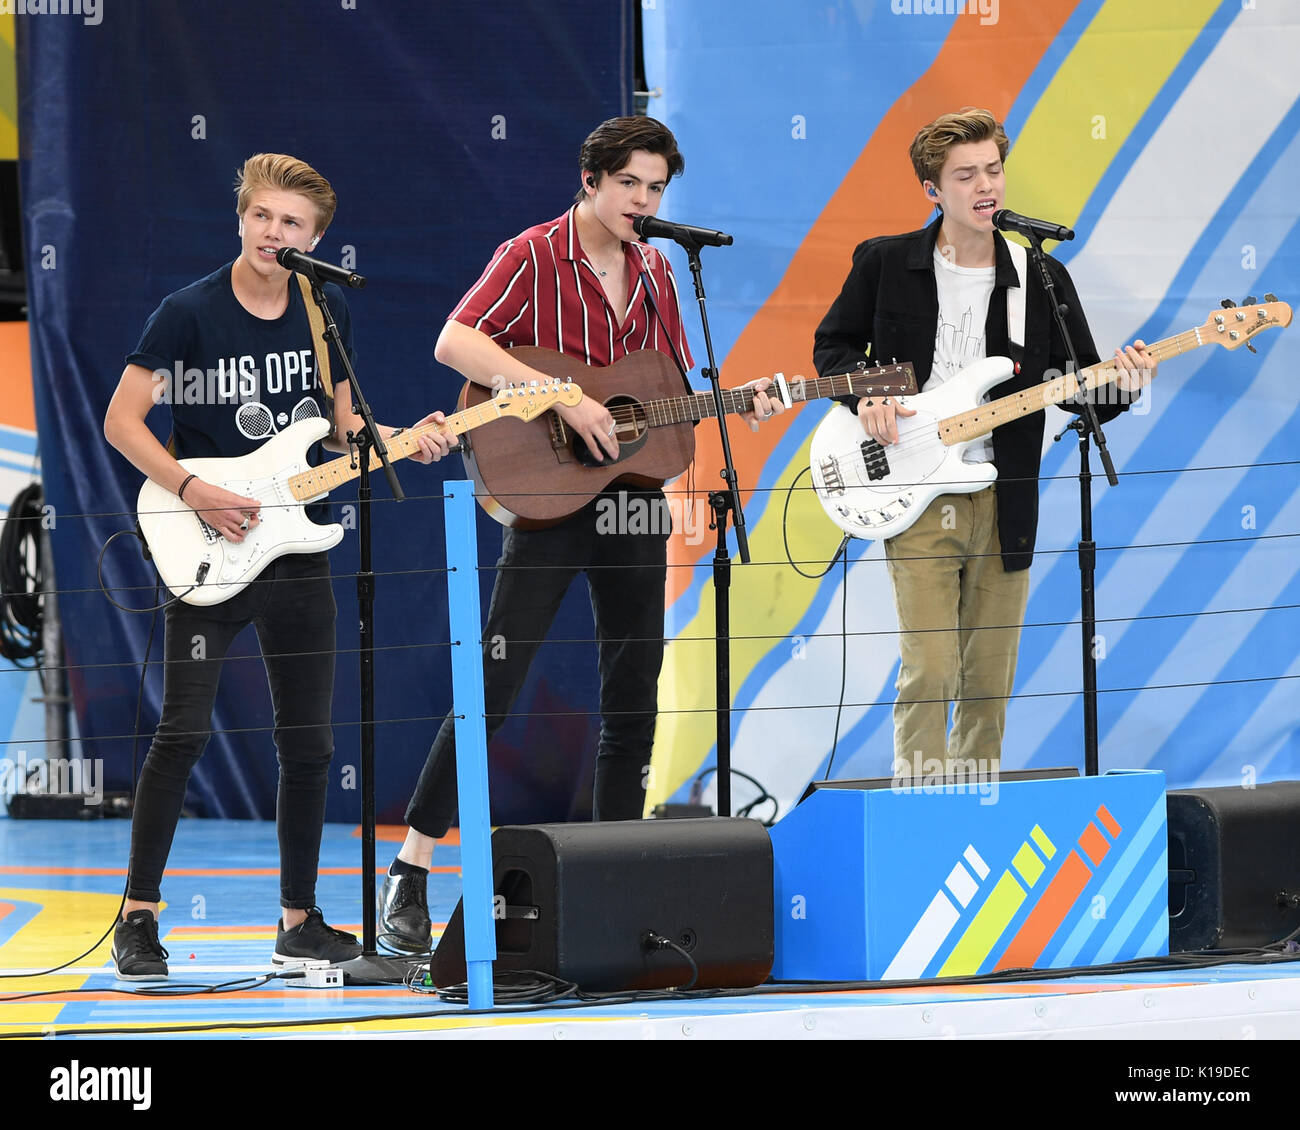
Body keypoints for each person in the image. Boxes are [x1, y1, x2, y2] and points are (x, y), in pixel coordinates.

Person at [378, 116, 785, 952]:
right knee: (493, 681)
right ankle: (412, 869)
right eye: (630, 183)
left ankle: (616, 862)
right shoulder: (531, 253)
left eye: (657, 188)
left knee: (634, 687)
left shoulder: (661, 271)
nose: (643, 201)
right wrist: (564, 395)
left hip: (631, 498)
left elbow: (661, 390)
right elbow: (455, 340)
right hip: (545, 495)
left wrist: (748, 399)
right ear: (592, 179)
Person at [103, 153, 451, 979]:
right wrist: (195, 486)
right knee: (181, 732)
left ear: (317, 238)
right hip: (206, 538)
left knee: (308, 743)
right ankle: (138, 918)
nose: (274, 232)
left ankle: (299, 921)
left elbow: (340, 431)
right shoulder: (185, 314)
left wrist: (405, 439)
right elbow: (122, 421)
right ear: (241, 219)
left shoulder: (323, 312)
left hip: (294, 546)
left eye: (292, 223)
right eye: (262, 216)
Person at [812, 108, 1154, 781]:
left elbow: (1080, 388)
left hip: (1006, 493)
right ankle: (918, 813)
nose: (985, 185)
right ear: (932, 189)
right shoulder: (886, 263)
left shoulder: (1042, 277)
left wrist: (1129, 384)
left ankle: (971, 821)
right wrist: (868, 395)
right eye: (965, 175)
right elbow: (833, 347)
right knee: (932, 668)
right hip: (913, 485)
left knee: (989, 682)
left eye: (993, 169)